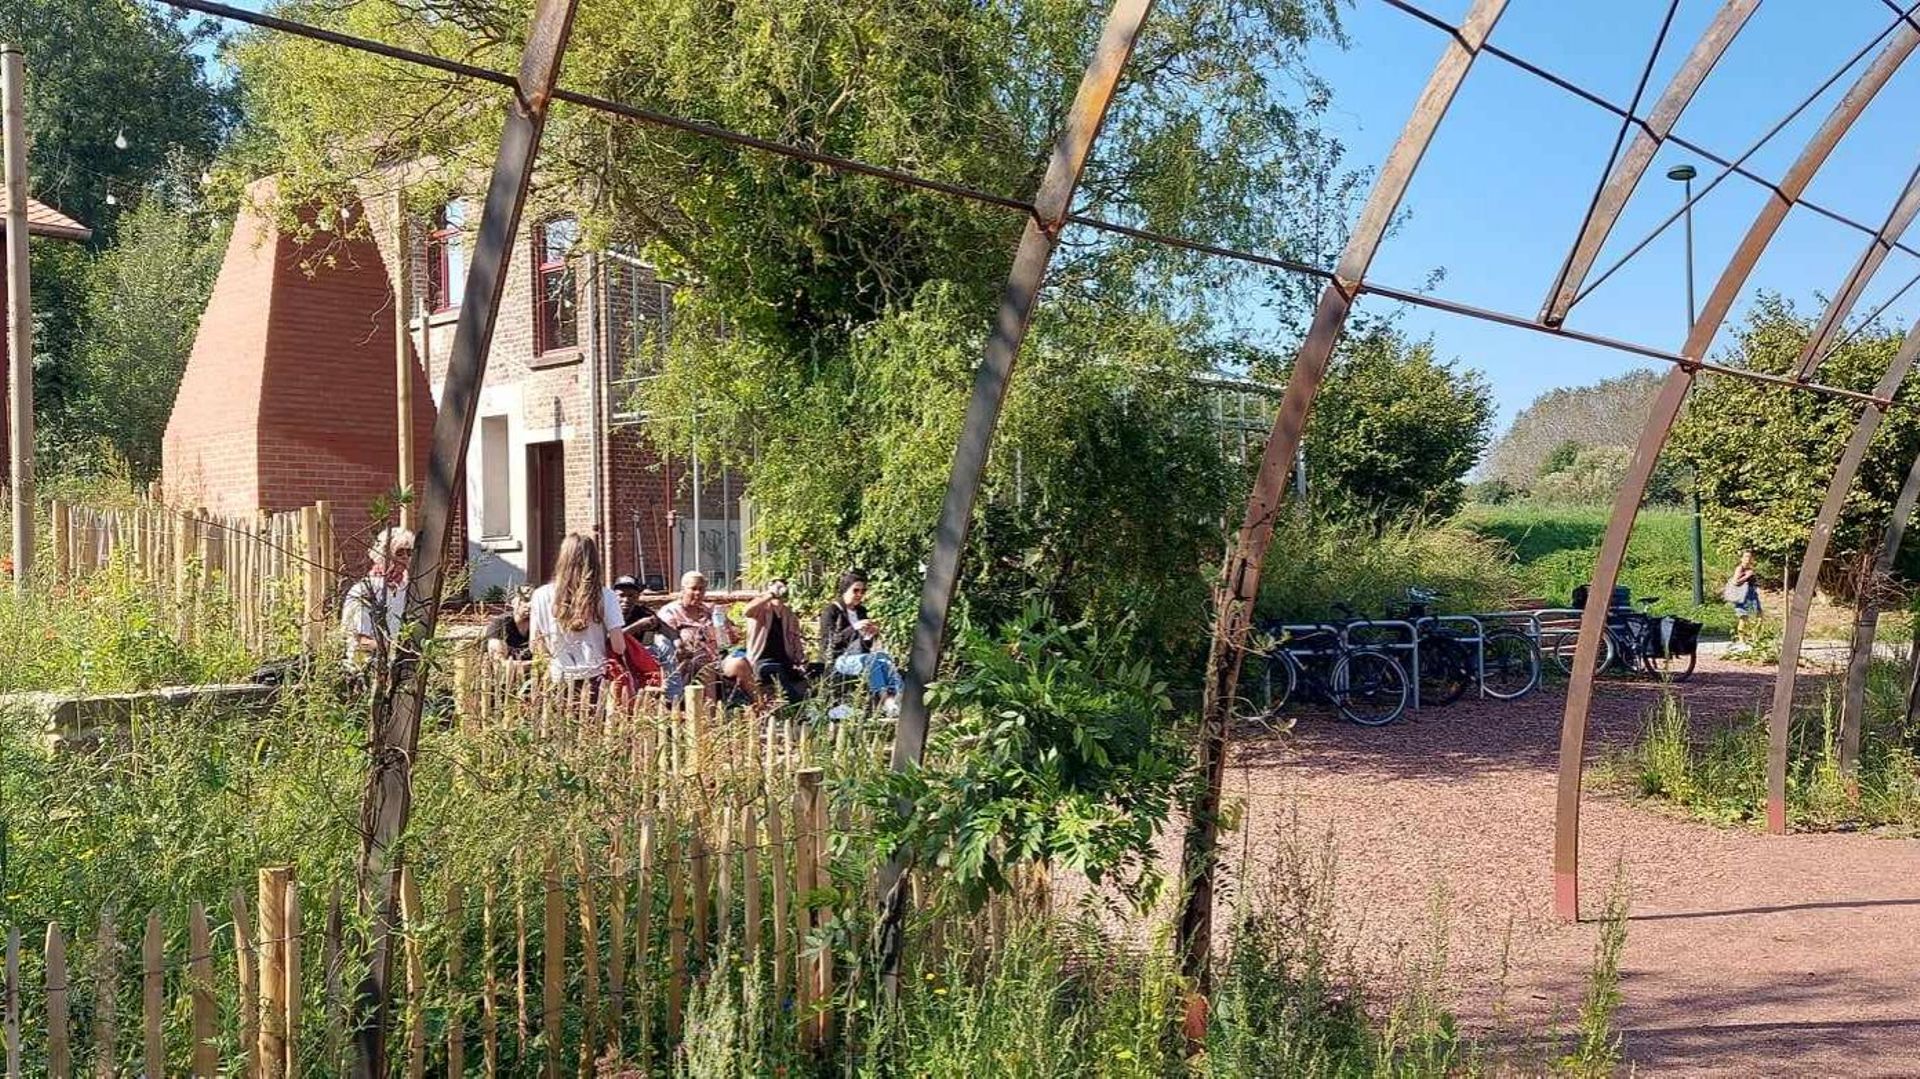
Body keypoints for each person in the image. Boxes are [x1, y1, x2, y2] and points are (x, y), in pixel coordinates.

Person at [528, 532, 626, 699]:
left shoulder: (540, 595)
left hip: (558, 677)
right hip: (595, 677)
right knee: (594, 723)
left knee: (560, 724)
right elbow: (619, 646)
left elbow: (535, 645)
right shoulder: (605, 596)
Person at [657, 570, 757, 703]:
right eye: (693, 589)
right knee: (707, 670)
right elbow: (668, 637)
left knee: (740, 663)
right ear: (683, 590)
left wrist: (729, 629)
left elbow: (730, 641)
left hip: (717, 659)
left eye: (701, 589)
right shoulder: (670, 611)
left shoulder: (711, 610)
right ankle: (710, 719)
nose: (698, 593)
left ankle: (762, 707)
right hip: (688, 664)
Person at [819, 569, 902, 715]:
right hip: (838, 659)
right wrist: (854, 628)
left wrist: (869, 635)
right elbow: (829, 642)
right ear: (845, 590)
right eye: (855, 590)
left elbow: (864, 647)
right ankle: (886, 700)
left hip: (859, 657)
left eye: (863, 591)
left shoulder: (861, 611)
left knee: (884, 658)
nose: (859, 595)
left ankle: (900, 695)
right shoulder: (831, 611)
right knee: (873, 660)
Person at [340, 526, 414, 666]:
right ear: (383, 555)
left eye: (409, 552)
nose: (405, 557)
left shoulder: (406, 589)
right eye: (399, 552)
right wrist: (394, 648)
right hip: (364, 667)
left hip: (395, 667)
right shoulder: (365, 590)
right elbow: (361, 641)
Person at [743, 578, 810, 704]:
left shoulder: (789, 614)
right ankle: (797, 704)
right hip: (762, 661)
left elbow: (796, 640)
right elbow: (747, 611)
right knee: (775, 669)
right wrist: (770, 594)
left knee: (818, 669)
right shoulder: (761, 610)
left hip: (785, 661)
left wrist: (802, 661)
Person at [485, 588, 534, 671]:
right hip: (505, 680)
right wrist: (535, 664)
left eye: (534, 600)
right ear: (513, 602)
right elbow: (500, 664)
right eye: (524, 600)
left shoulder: (539, 624)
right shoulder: (500, 624)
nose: (529, 605)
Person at [1725, 548, 1762, 648]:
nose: (1748, 559)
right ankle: (1742, 640)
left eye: (1750, 557)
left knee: (1757, 617)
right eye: (1746, 557)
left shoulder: (1749, 568)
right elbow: (1735, 581)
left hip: (1751, 595)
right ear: (1741, 558)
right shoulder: (1740, 568)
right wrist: (1747, 576)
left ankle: (1754, 638)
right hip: (1744, 596)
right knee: (1744, 617)